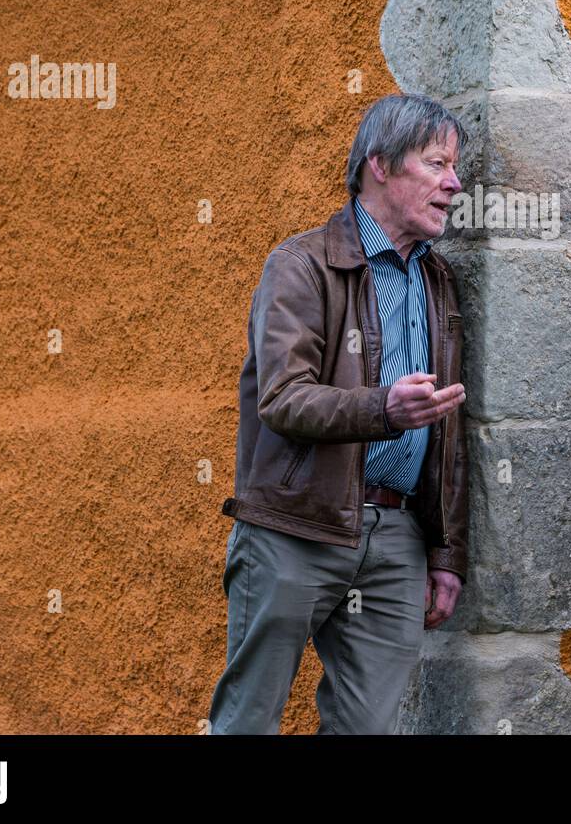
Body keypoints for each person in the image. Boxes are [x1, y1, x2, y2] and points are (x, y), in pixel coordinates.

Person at [208, 93, 469, 734]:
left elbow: (452, 437)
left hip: (398, 540)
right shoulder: (301, 265)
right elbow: (282, 398)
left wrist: (445, 553)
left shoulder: (439, 281)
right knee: (248, 722)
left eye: (454, 169)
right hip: (296, 530)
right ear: (380, 165)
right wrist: (384, 408)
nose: (454, 183)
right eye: (437, 165)